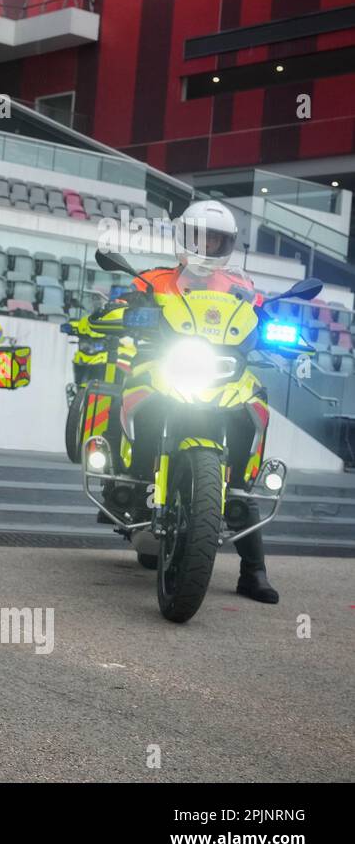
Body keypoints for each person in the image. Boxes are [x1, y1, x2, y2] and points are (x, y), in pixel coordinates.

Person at [127, 199, 279, 604]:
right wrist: (124, 313)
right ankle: (138, 476)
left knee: (255, 402)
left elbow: (261, 317)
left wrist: (280, 330)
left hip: (224, 374)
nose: (209, 245)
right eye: (201, 237)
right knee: (137, 387)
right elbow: (127, 305)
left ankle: (253, 568)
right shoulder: (154, 280)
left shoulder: (241, 288)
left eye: (217, 239)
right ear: (183, 237)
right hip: (169, 367)